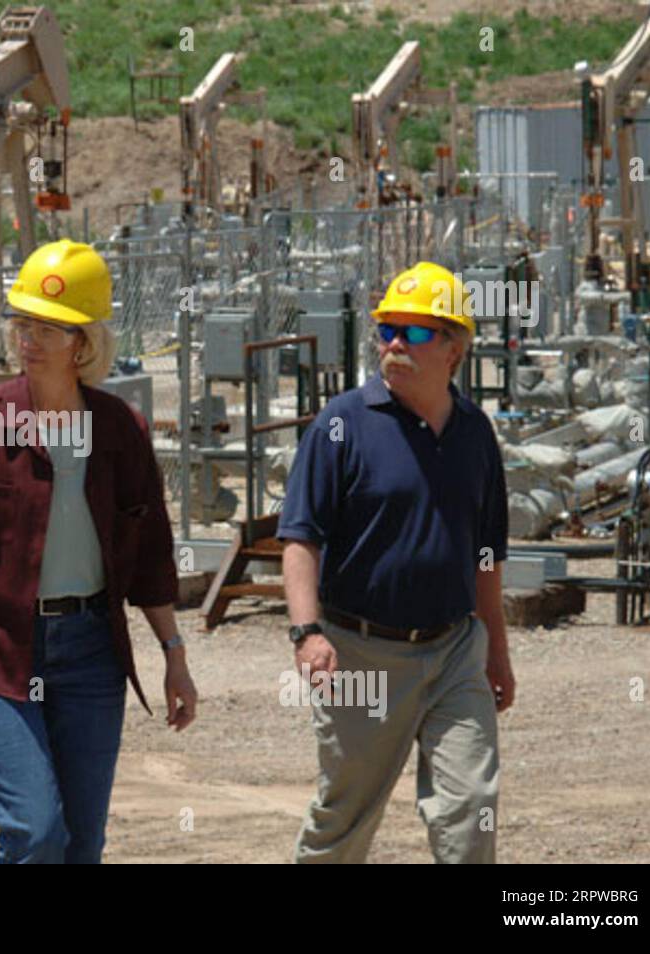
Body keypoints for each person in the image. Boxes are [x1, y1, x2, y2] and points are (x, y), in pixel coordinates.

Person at [0, 239, 199, 864]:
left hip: (92, 652)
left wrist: (174, 656)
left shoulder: (120, 428)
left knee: (81, 844)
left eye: (50, 327)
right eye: (24, 324)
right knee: (36, 829)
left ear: (84, 341)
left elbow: (150, 555)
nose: (31, 339)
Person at [277, 261, 514, 864]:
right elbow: (299, 536)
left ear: (454, 351)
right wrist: (306, 634)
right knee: (346, 817)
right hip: (362, 651)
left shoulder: (475, 433)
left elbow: (486, 554)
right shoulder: (342, 426)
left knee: (471, 811)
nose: (394, 345)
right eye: (387, 330)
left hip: (457, 649)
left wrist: (496, 652)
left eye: (414, 333)